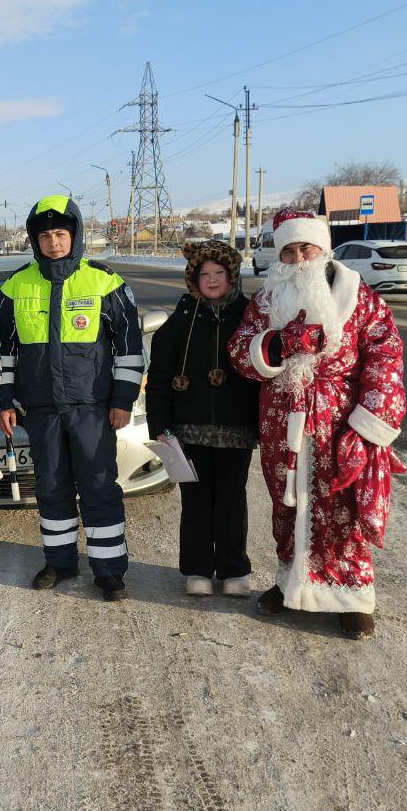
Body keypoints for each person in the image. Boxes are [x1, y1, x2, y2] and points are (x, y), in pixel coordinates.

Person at [227, 208, 406, 639]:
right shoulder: (266, 299)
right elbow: (239, 352)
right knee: (286, 504)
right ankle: (290, 585)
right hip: (282, 419)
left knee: (341, 508)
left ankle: (352, 599)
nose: (297, 257)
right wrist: (278, 343)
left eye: (306, 247)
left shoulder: (358, 297)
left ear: (322, 249)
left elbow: (386, 355)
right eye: (288, 250)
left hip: (338, 420)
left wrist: (368, 425)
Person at [0, 196, 143, 601]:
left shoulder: (105, 282)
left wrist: (122, 399)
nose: (54, 242)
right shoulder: (15, 286)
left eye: (61, 234)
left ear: (74, 236)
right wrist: (4, 400)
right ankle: (59, 562)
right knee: (51, 488)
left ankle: (109, 571)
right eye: (45, 236)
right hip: (40, 411)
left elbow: (129, 349)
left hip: (92, 409)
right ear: (34, 240)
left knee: (99, 487)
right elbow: (2, 353)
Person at [145, 240, 260, 597]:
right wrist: (160, 427)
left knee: (230, 500)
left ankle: (233, 569)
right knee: (196, 502)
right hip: (189, 429)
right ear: (193, 279)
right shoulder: (180, 319)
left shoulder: (250, 317)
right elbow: (160, 376)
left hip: (235, 429)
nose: (211, 280)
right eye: (204, 274)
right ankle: (197, 569)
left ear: (232, 276)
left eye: (219, 273)